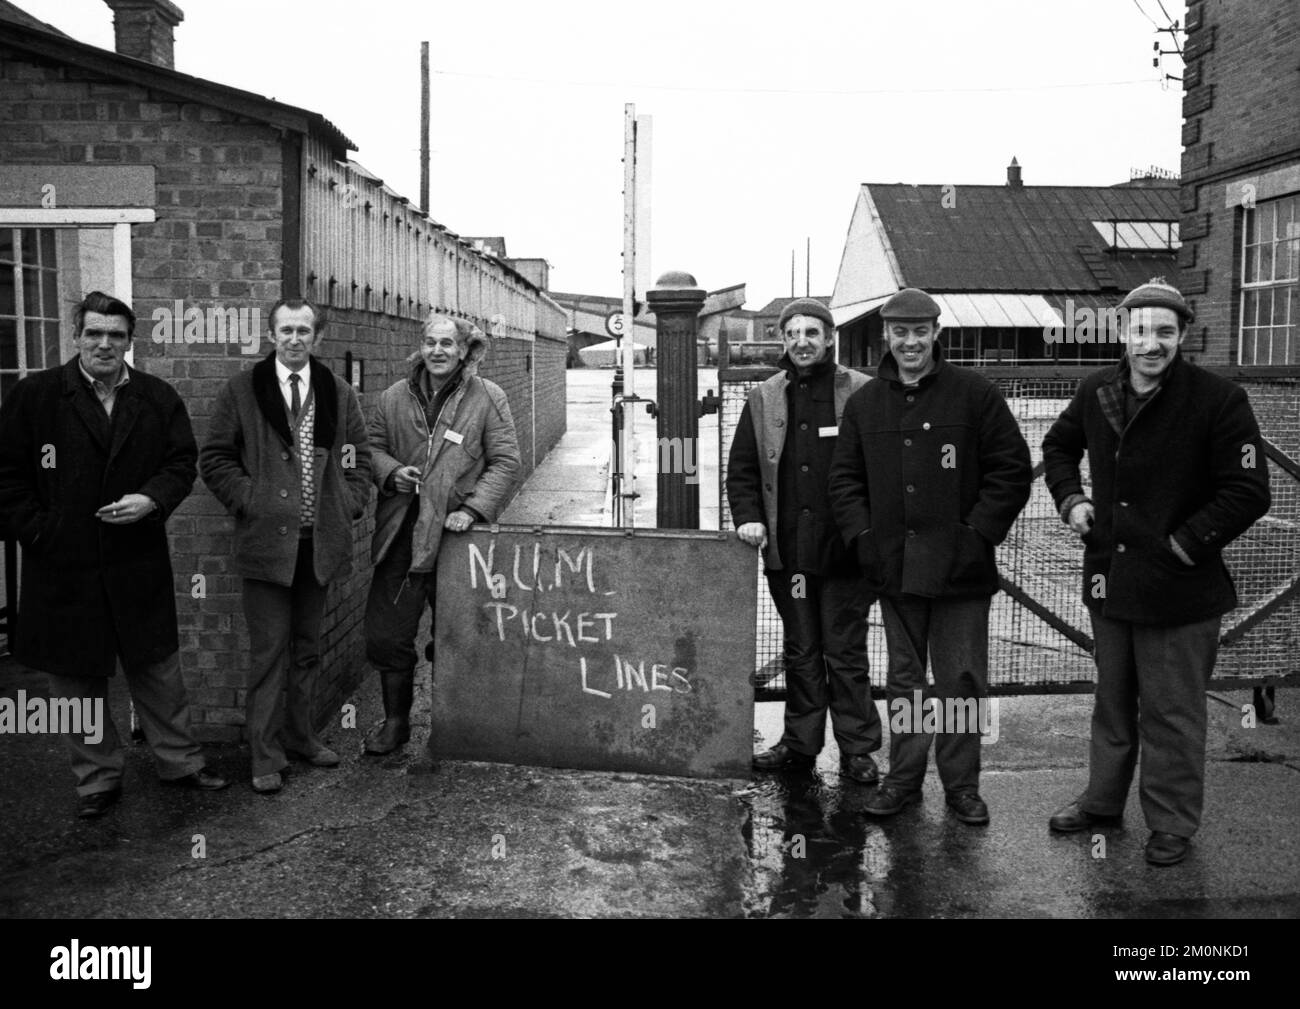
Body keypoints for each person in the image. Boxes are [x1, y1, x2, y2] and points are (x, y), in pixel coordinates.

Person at [1041, 278, 1270, 866]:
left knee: (1172, 710)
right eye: (1140, 330)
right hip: (1109, 582)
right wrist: (1072, 500)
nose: (1151, 344)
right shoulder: (1097, 391)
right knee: (1112, 702)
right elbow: (1058, 446)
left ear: (1183, 336)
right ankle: (1101, 804)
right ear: (1122, 332)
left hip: (1182, 587)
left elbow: (1248, 491)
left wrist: (1183, 545)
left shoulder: (1219, 399)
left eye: (1165, 332)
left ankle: (1171, 822)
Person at [0, 291, 229, 818]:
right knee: (75, 679)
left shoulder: (155, 397)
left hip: (135, 556)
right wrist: (42, 531)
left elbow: (180, 462)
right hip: (62, 563)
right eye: (94, 333)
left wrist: (152, 499)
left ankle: (181, 762)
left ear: (130, 341)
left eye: (117, 336)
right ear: (76, 335)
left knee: (157, 668)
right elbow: (6, 476)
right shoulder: (35, 397)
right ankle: (97, 780)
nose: (105, 344)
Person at [828, 288, 1032, 824]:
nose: (911, 342)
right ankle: (903, 780)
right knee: (906, 680)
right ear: (886, 336)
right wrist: (864, 540)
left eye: (921, 331)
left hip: (962, 571)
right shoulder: (866, 402)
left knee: (962, 681)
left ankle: (963, 786)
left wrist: (976, 537)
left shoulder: (974, 393)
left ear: (937, 334)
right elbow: (844, 480)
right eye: (901, 332)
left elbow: (1010, 471)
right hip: (893, 569)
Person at [199, 298, 371, 794]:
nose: (295, 339)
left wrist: (350, 502)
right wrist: (251, 501)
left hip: (318, 546)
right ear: (271, 334)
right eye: (286, 330)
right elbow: (215, 459)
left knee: (307, 650)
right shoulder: (243, 390)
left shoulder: (337, 392)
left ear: (317, 337)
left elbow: (356, 456)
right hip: (267, 547)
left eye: (304, 331)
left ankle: (302, 737)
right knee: (269, 653)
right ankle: (265, 754)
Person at [727, 298, 883, 783]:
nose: (802, 342)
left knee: (845, 652)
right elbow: (743, 470)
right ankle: (800, 745)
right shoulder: (765, 397)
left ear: (830, 338)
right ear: (782, 340)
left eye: (811, 333)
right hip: (789, 553)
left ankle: (858, 749)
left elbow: (882, 471)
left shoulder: (862, 392)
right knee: (802, 650)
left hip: (845, 553)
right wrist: (749, 518)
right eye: (792, 334)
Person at [362, 314, 520, 755]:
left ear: (465, 350)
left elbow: (506, 461)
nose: (437, 351)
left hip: (457, 536)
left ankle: (457, 725)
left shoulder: (487, 398)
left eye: (447, 344)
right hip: (402, 533)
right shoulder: (394, 397)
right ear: (420, 346)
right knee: (386, 635)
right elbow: (371, 448)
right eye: (430, 342)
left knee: (458, 633)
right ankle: (396, 724)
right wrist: (391, 472)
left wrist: (472, 509)